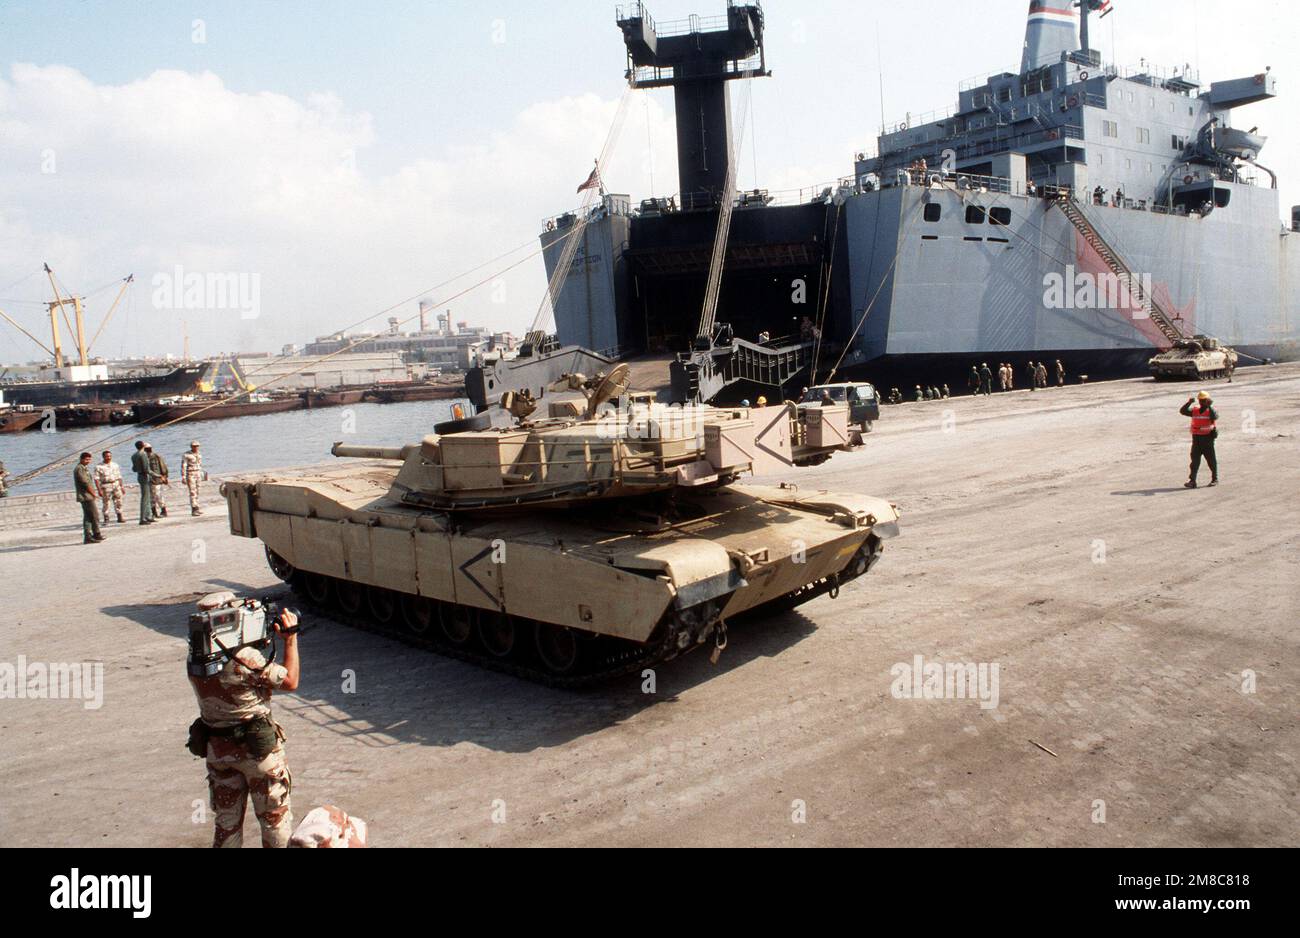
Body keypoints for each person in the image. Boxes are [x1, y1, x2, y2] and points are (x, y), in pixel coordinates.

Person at [189, 599, 301, 848]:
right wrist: (290, 638)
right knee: (275, 822)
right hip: (258, 755)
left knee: (226, 824)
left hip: (219, 751)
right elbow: (291, 681)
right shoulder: (245, 659)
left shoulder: (197, 661)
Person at [1181, 391, 1219, 489]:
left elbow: (1214, 417)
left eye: (1204, 400)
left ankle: (1215, 479)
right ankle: (1192, 481)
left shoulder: (1211, 410)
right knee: (1194, 461)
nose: (1202, 402)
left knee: (1211, 460)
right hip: (1196, 439)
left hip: (1207, 439)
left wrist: (1209, 406)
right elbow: (1183, 411)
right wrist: (1188, 402)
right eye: (1201, 400)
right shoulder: (1195, 410)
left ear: (1208, 400)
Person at [74, 453, 105, 545]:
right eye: (86, 459)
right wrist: (93, 494)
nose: (88, 461)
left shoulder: (84, 468)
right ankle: (93, 535)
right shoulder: (79, 469)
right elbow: (85, 483)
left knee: (88, 517)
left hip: (87, 495)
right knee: (94, 515)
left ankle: (92, 535)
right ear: (81, 459)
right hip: (86, 496)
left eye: (89, 459)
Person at [94, 450, 125, 524]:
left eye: (110, 456)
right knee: (106, 502)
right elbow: (96, 479)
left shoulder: (115, 465)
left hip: (116, 484)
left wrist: (122, 486)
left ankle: (119, 516)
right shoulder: (99, 467)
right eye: (107, 456)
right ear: (103, 457)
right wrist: (99, 490)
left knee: (119, 501)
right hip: (106, 485)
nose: (109, 458)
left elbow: (119, 476)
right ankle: (106, 517)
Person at [131, 441, 157, 525]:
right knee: (145, 498)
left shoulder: (133, 455)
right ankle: (142, 518)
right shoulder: (143, 454)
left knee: (148, 497)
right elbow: (147, 469)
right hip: (144, 476)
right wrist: (157, 475)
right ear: (143, 446)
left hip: (140, 476)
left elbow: (134, 469)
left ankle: (148, 516)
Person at [181, 441, 205, 516]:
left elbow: (200, 464)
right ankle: (194, 509)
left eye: (197, 446)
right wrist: (183, 476)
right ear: (191, 446)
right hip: (190, 473)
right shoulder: (186, 455)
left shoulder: (199, 454)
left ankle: (197, 506)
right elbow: (183, 465)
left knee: (198, 490)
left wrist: (202, 473)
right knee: (192, 492)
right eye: (194, 446)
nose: (196, 447)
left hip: (198, 473)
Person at [147, 444, 170, 518]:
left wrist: (165, 477)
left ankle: (163, 510)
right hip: (148, 481)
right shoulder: (143, 458)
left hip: (157, 480)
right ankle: (153, 512)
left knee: (158, 495)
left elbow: (163, 467)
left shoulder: (156, 457)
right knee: (151, 497)